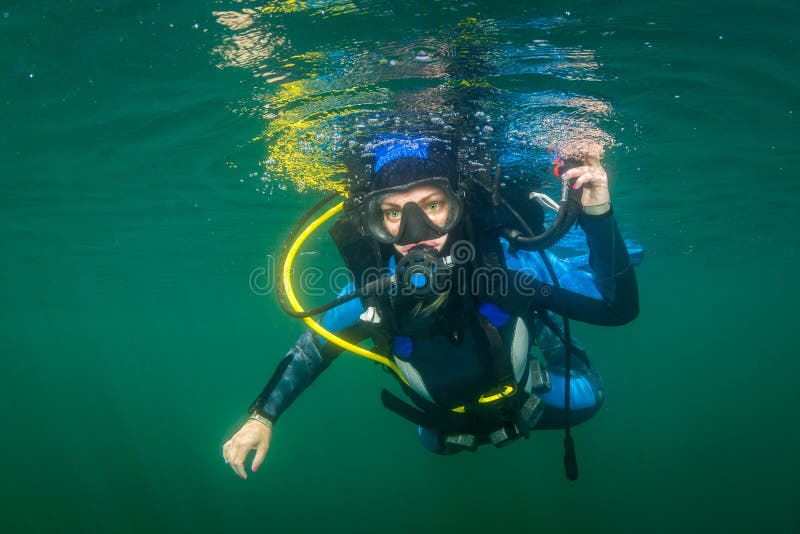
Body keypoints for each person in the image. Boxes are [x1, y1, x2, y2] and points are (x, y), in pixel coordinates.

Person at [222, 136, 639, 479]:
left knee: (591, 397)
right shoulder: (375, 295)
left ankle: (536, 321)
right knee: (433, 443)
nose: (415, 234)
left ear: (457, 208)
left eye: (433, 206)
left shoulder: (504, 268)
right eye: (392, 213)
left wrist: (598, 213)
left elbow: (616, 308)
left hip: (527, 398)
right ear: (375, 224)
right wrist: (262, 416)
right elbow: (312, 349)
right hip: (442, 428)